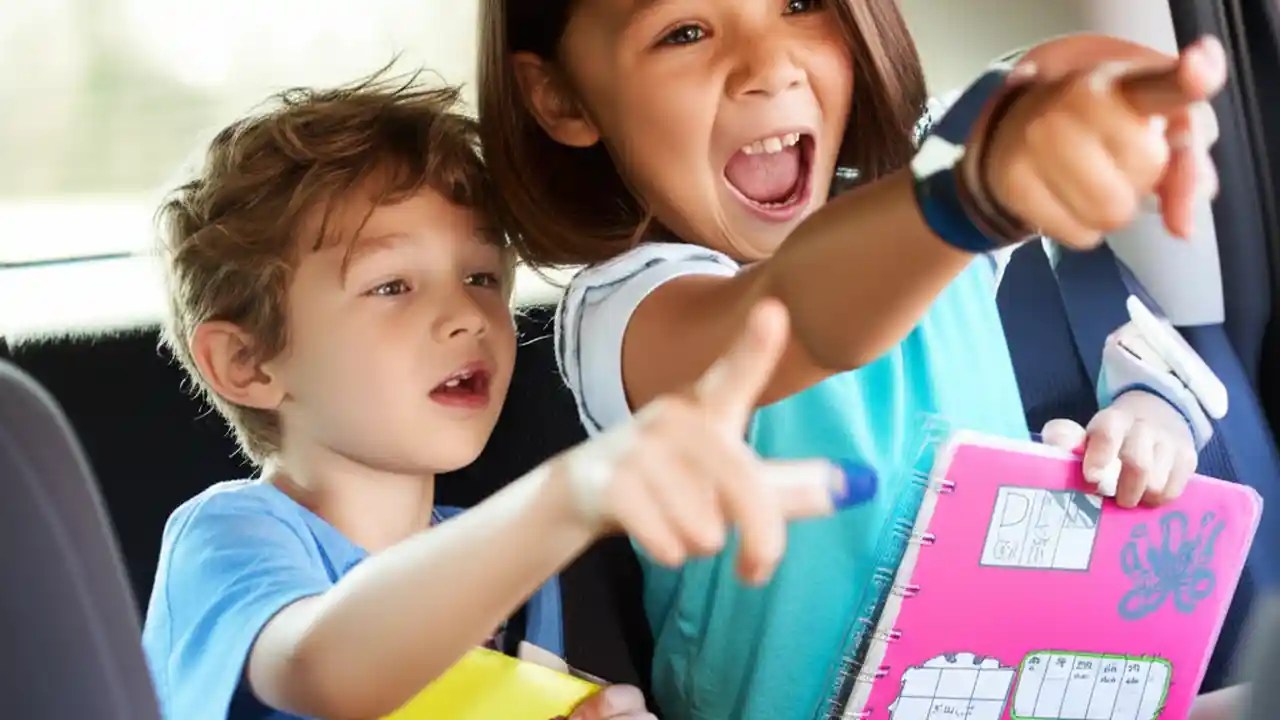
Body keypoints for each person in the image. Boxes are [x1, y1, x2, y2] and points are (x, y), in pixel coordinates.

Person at [477, 1, 1232, 717]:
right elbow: (796, 319)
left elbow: (1036, 80)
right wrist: (966, 196)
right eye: (684, 32)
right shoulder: (627, 312)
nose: (768, 68)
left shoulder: (931, 208)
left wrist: (1114, 95)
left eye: (800, 3)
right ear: (561, 99)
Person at [140, 71, 869, 720]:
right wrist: (564, 498)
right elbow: (322, 670)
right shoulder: (232, 537)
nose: (467, 315)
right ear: (246, 361)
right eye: (391, 285)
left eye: (483, 277)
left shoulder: (512, 566)